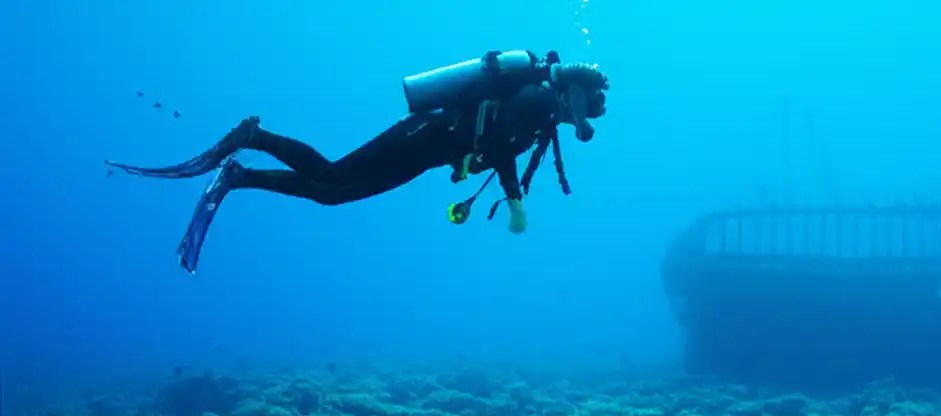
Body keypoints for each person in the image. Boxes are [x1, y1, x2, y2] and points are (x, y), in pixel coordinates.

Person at [106, 50, 609, 273]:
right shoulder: (539, 102)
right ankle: (253, 136)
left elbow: (489, 141)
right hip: (421, 136)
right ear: (575, 96)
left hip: (429, 152)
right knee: (332, 177)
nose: (581, 119)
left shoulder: (540, 111)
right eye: (587, 108)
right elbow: (499, 147)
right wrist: (517, 204)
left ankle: (239, 175)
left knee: (334, 193)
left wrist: (468, 167)